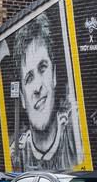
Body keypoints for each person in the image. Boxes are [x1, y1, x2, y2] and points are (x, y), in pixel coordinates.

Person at [12, 12, 80, 170]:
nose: (37, 87)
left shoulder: (75, 136)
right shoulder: (17, 154)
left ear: (54, 75)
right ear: (22, 97)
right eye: (29, 78)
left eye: (42, 68)